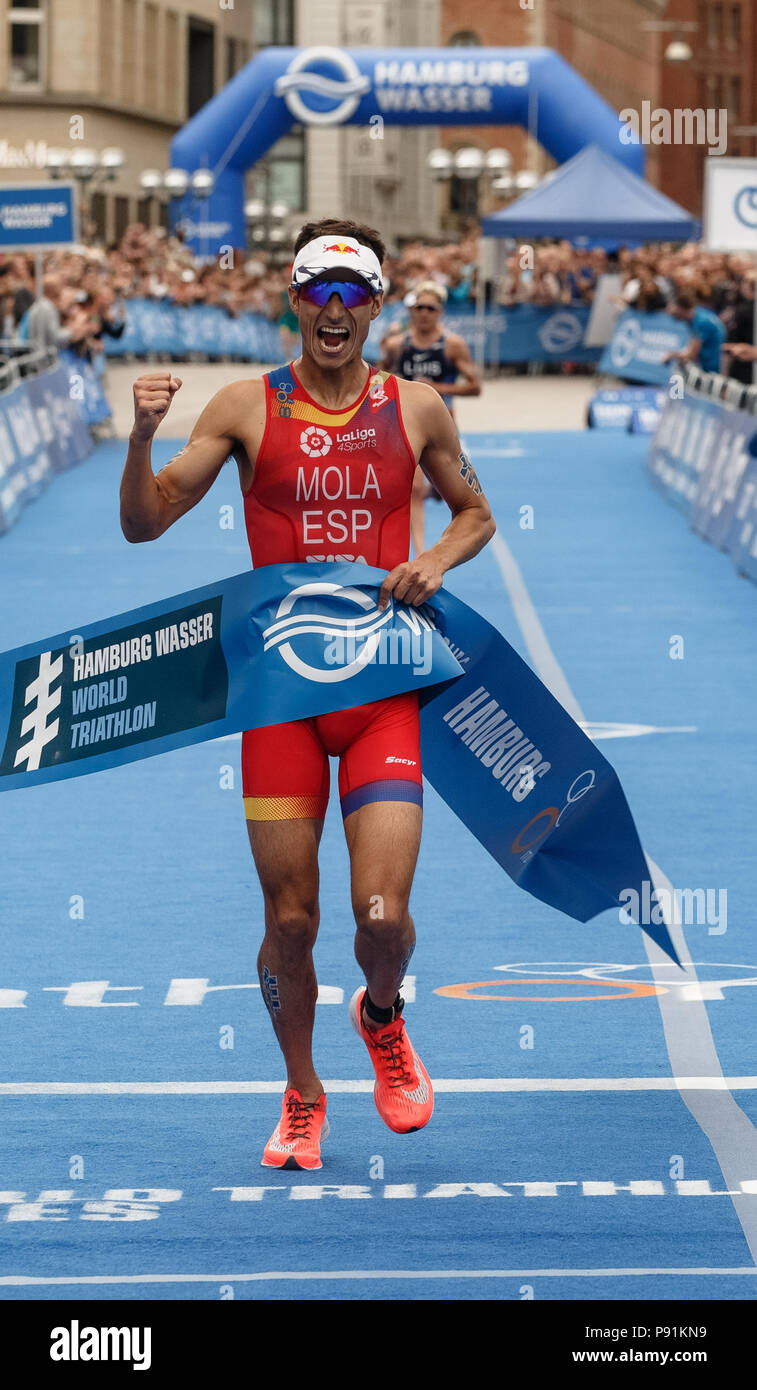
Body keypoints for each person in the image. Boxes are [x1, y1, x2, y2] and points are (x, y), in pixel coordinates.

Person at [119, 219, 495, 1171]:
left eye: (350, 294)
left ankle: (381, 1015)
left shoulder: (417, 407)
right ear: (292, 298)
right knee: (289, 922)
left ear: (373, 304)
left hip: (380, 691)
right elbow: (145, 524)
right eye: (316, 293)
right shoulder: (246, 406)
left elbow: (475, 515)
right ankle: (301, 1091)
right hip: (278, 697)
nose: (333, 311)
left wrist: (433, 561)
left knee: (382, 917)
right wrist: (139, 438)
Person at [380, 280, 481, 554]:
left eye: (430, 308)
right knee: (413, 488)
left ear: (440, 312)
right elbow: (379, 377)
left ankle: (436, 491)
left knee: (454, 492)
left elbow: (475, 386)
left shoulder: (453, 346)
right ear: (411, 311)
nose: (424, 313)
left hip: (443, 425)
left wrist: (437, 389)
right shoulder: (398, 345)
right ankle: (421, 550)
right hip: (406, 425)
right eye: (419, 307)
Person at [663, 292, 726, 374]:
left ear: (681, 308)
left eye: (673, 308)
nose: (670, 312)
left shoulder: (701, 322)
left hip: (713, 368)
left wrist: (671, 355)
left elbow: (691, 355)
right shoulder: (697, 315)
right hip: (708, 364)